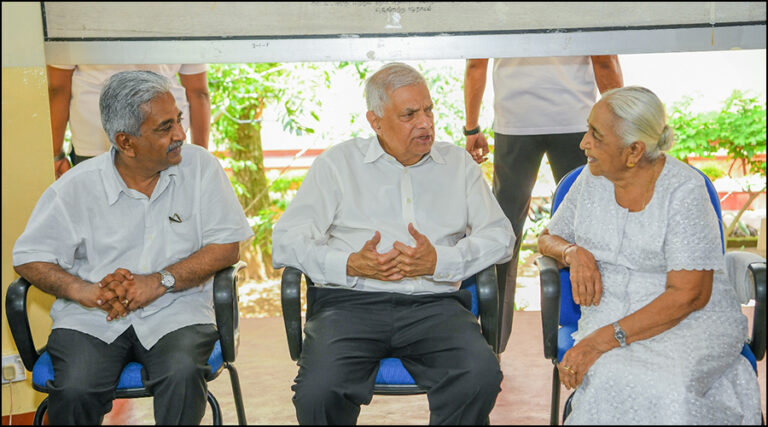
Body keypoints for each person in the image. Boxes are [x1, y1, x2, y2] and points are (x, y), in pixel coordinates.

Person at [272, 62, 515, 425]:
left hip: (434, 306)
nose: (425, 123)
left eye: (428, 110)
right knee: (318, 392)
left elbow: (501, 237)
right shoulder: (338, 165)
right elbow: (286, 240)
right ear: (375, 121)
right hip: (350, 306)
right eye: (409, 114)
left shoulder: (458, 165)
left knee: (478, 377)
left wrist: (441, 261)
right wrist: (348, 264)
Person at [12, 70, 253, 425]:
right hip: (92, 318)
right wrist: (84, 291)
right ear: (126, 142)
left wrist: (159, 281)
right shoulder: (76, 187)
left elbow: (226, 247)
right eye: (165, 127)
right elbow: (30, 257)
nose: (180, 134)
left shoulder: (202, 168)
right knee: (75, 387)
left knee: (182, 372)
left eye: (179, 120)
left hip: (177, 310)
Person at [537, 86, 762, 424]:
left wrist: (600, 341)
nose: (584, 143)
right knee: (609, 379)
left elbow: (688, 296)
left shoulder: (684, 190)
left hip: (687, 320)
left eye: (596, 135)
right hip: (608, 309)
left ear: (634, 151)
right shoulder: (591, 178)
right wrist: (572, 252)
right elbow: (546, 238)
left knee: (670, 392)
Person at [463, 55, 623, 352]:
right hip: (574, 117)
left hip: (516, 119)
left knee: (503, 235)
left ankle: (493, 346)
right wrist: (623, 125)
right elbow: (604, 61)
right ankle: (596, 327)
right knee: (589, 228)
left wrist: (472, 128)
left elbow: (476, 64)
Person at [47, 64, 211, 178]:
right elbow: (198, 93)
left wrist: (55, 154)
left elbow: (58, 89)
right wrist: (200, 161)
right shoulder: (184, 23)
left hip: (93, 138)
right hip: (164, 141)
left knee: (98, 214)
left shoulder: (70, 23)